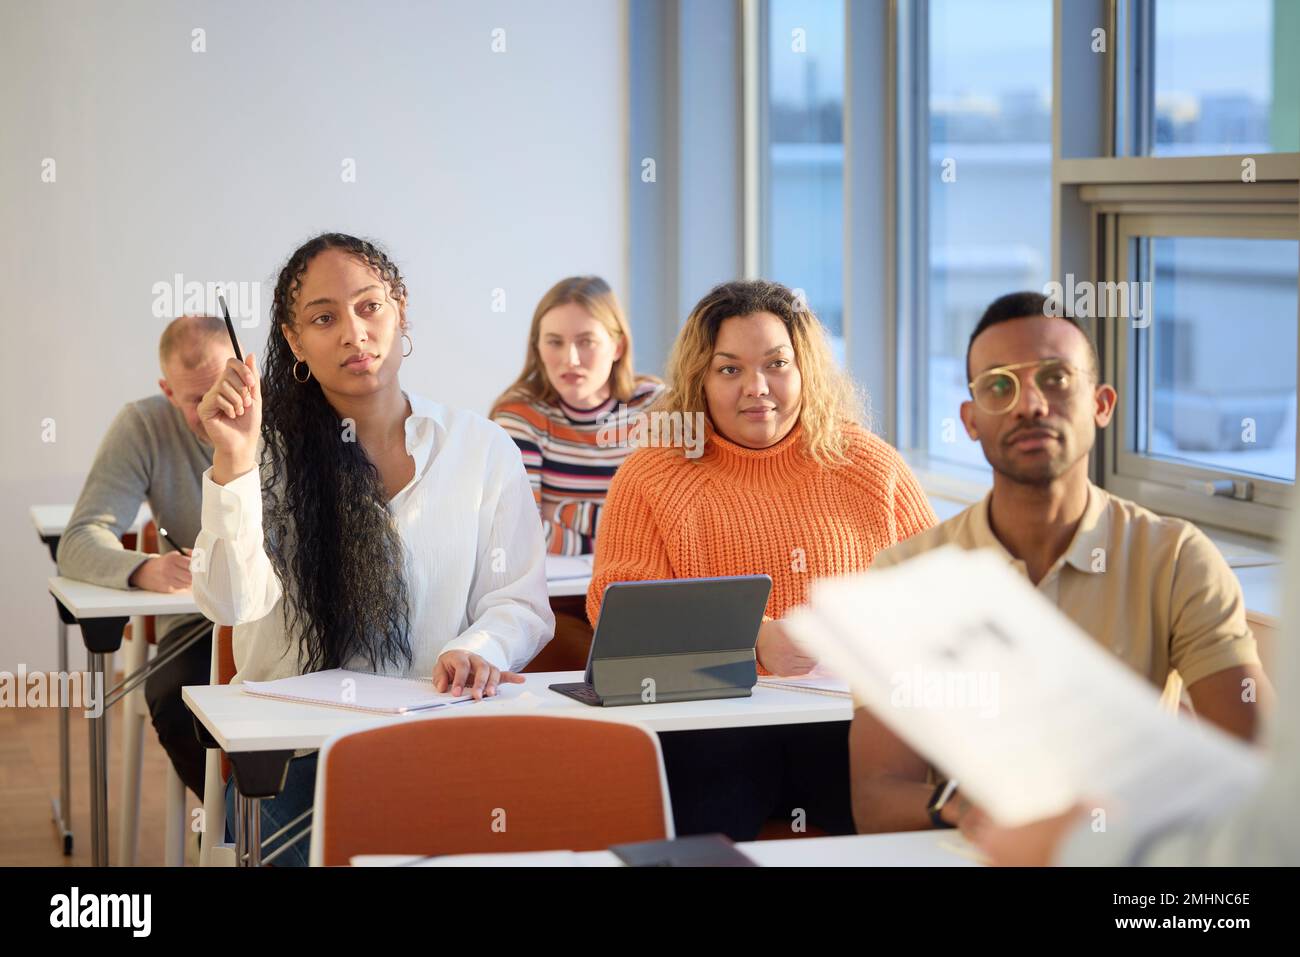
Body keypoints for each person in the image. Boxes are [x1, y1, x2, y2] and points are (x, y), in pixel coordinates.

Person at [191, 232, 553, 866]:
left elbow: (518, 603)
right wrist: (234, 461)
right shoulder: (263, 456)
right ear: (294, 341)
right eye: (324, 318)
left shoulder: (482, 448)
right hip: (301, 758)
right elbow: (229, 602)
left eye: (370, 307)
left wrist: (478, 649)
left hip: (445, 740)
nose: (354, 333)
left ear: (401, 310)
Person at [849, 291, 1271, 835]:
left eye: (1055, 378)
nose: (1030, 405)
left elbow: (1257, 766)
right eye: (1000, 386)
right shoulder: (907, 577)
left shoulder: (1176, 558)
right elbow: (878, 800)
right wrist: (985, 818)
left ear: (1101, 403)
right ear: (971, 419)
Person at [587, 278, 936, 839]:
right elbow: (616, 614)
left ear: (807, 371)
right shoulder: (653, 473)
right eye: (729, 369)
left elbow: (940, 598)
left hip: (847, 729)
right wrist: (749, 643)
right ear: (700, 378)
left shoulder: (871, 466)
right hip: (709, 734)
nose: (758, 388)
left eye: (777, 364)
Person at [972, 492, 1299, 867]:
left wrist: (1072, 849)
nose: (1029, 428)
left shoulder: (1174, 554)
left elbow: (1269, 812)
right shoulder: (929, 556)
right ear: (968, 427)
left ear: (1104, 426)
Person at [57, 315, 230, 800]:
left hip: (281, 624)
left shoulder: (284, 417)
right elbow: (79, 539)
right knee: (175, 699)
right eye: (195, 399)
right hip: (197, 627)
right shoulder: (144, 424)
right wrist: (142, 568)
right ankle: (232, 833)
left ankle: (272, 836)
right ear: (168, 391)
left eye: (221, 386)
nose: (214, 406)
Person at [491, 275, 664, 555]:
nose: (570, 359)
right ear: (538, 348)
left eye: (586, 342)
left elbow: (667, 528)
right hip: (555, 596)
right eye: (554, 342)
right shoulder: (520, 415)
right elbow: (518, 535)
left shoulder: (655, 407)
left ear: (617, 347)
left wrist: (564, 512)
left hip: (640, 589)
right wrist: (619, 536)